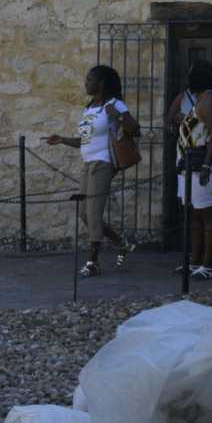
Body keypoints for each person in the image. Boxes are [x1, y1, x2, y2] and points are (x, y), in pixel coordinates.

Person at [44, 64, 138, 278]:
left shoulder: (114, 105)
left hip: (103, 164)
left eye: (89, 80)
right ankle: (121, 243)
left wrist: (119, 115)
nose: (86, 83)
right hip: (88, 164)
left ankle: (93, 261)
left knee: (94, 213)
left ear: (101, 83)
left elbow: (135, 129)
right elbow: (85, 141)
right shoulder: (89, 109)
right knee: (84, 213)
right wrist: (61, 140)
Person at [167, 61, 212, 280]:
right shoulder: (204, 98)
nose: (188, 77)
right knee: (194, 215)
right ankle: (194, 262)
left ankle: (208, 265)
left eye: (191, 74)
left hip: (205, 167)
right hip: (189, 165)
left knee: (207, 217)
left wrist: (206, 166)